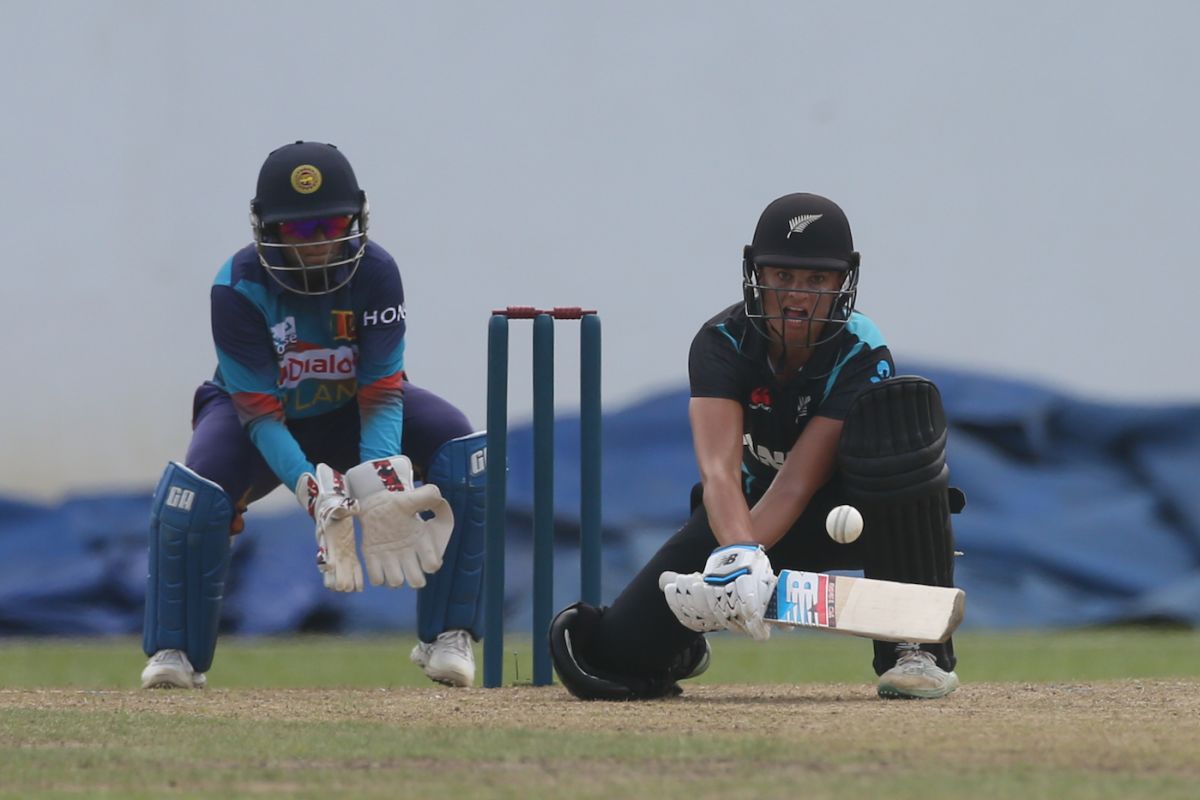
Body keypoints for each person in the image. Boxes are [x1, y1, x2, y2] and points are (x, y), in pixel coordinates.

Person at [549, 193, 963, 700]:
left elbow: (797, 481)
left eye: (817, 280)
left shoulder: (861, 348)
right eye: (783, 277)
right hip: (742, 514)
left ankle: (915, 650)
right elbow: (719, 474)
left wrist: (741, 563)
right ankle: (680, 650)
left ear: (843, 283)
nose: (797, 295)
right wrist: (736, 557)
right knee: (608, 660)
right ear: (755, 274)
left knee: (905, 415)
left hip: (856, 517)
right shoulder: (721, 341)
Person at [140, 141, 487, 690]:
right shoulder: (236, 286)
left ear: (358, 218)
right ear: (267, 230)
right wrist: (313, 494)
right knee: (197, 489)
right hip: (254, 419)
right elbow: (258, 416)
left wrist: (380, 482)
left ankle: (448, 636)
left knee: (460, 447)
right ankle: (175, 650)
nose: (321, 244)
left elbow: (382, 392)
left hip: (354, 409)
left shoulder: (377, 272)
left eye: (332, 225)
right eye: (301, 231)